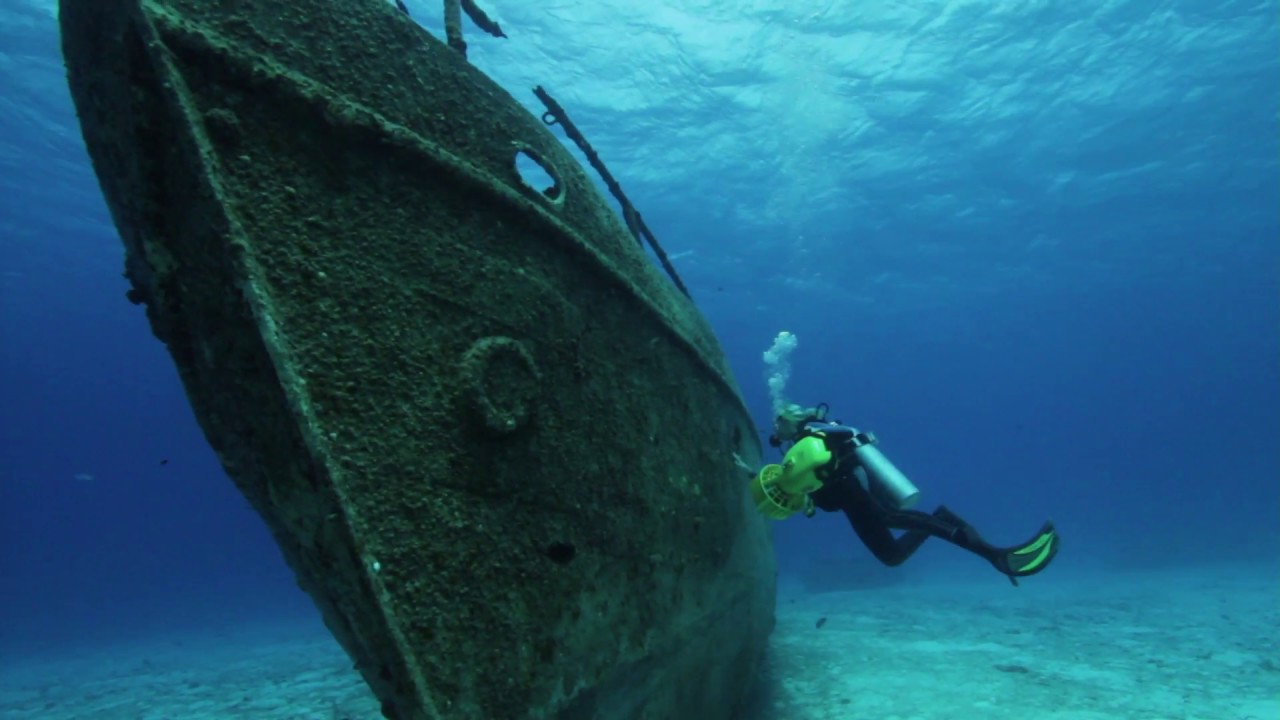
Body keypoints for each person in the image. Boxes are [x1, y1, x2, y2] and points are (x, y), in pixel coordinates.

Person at [751, 403, 1059, 586]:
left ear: (789, 420)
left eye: (779, 423)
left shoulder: (812, 436)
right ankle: (944, 521)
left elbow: (839, 452)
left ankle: (993, 554)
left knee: (890, 517)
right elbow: (822, 494)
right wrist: (808, 501)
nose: (776, 430)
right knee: (892, 557)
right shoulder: (805, 445)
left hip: (855, 488)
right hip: (850, 502)